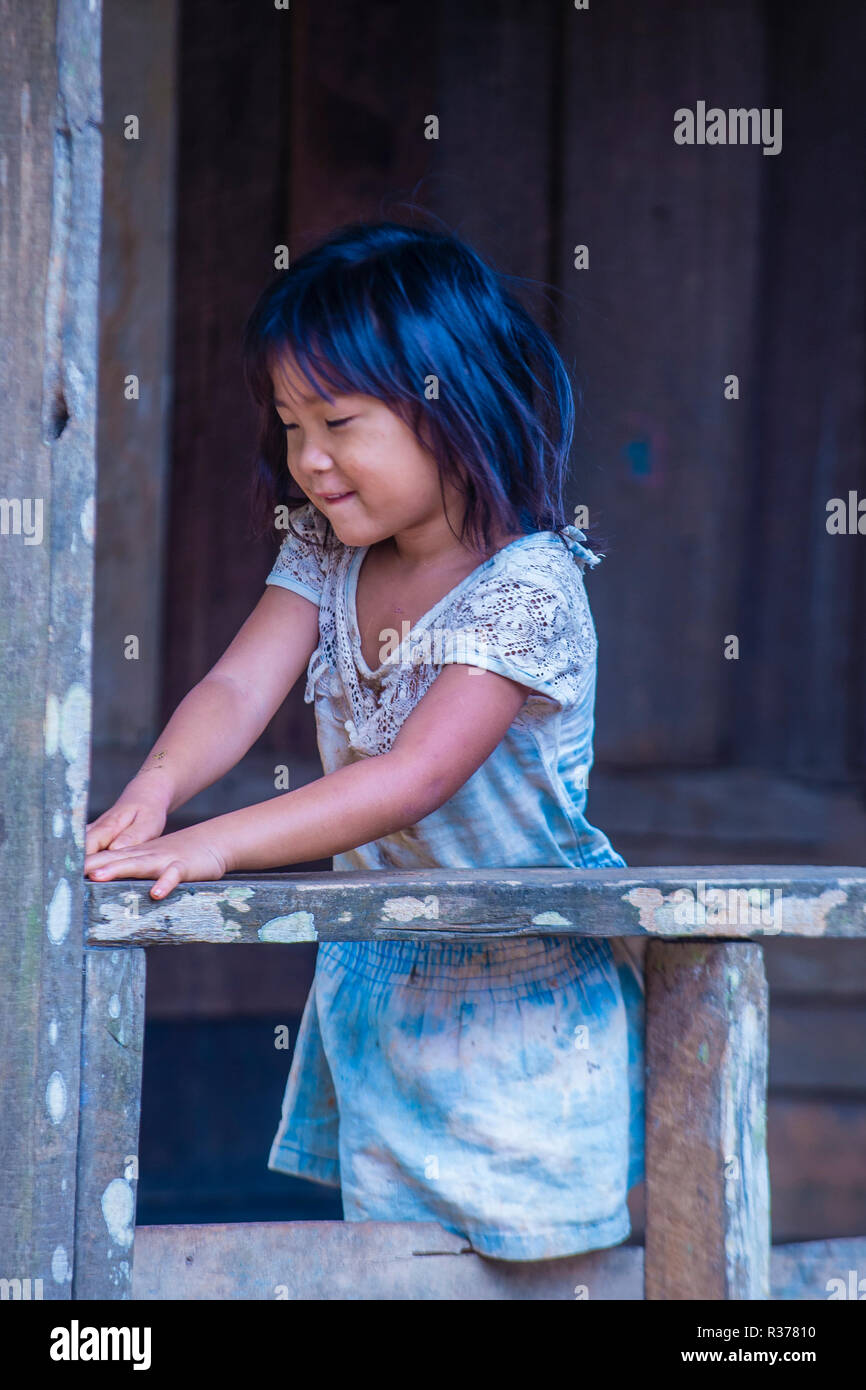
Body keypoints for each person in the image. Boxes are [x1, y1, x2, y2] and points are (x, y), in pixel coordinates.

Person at [85, 219, 645, 1261]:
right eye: (291, 426)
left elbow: (413, 776)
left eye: (337, 421)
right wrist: (155, 793)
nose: (308, 460)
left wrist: (215, 843)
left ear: (451, 402)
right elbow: (234, 684)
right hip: (380, 984)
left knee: (540, 1273)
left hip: (521, 993)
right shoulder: (326, 562)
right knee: (398, 1271)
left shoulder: (527, 585)